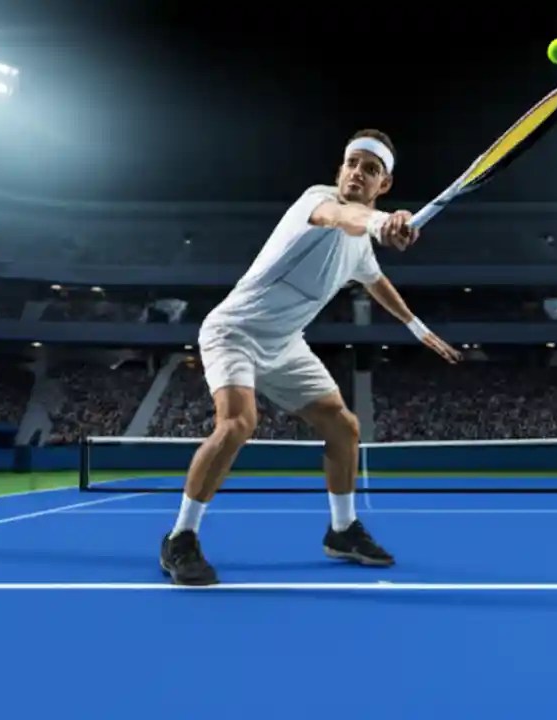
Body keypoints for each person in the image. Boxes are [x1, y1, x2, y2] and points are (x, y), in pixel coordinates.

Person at [160, 129, 464, 586]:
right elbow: (339, 216)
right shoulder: (316, 201)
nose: (357, 172)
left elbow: (375, 279)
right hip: (235, 331)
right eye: (352, 163)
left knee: (344, 426)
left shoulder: (360, 243)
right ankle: (180, 538)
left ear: (384, 184)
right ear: (341, 169)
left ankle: (342, 530)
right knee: (239, 423)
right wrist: (383, 223)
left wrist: (415, 326)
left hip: (285, 343)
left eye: (371, 169)